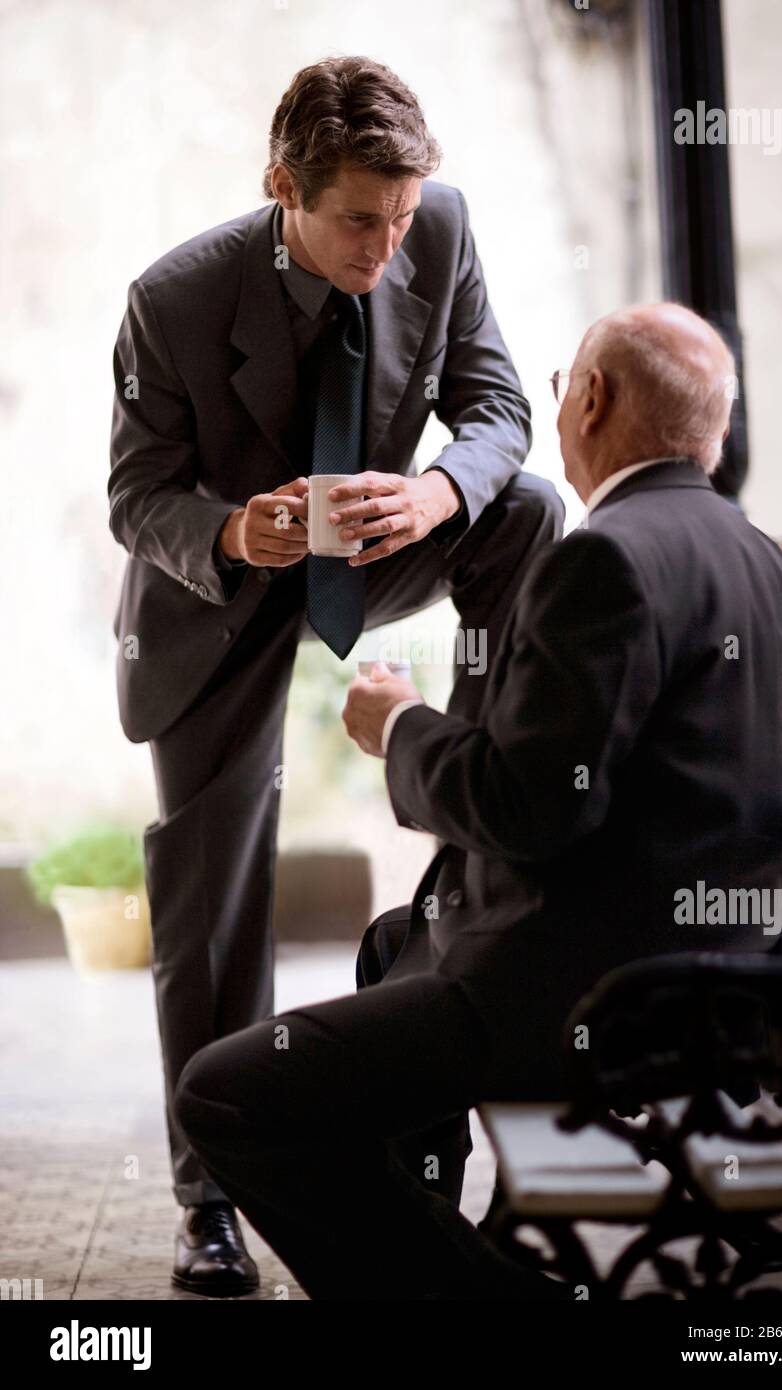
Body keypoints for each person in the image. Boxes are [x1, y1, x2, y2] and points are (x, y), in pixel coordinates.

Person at [173, 302, 782, 1300]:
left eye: (563, 387)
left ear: (592, 399)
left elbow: (527, 806)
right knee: (398, 938)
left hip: (584, 996)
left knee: (227, 1095)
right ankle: (434, 1232)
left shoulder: (601, 559)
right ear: (713, 427)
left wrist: (397, 724)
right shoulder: (760, 560)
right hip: (708, 978)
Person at [107, 55, 562, 1294]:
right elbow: (134, 495)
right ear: (283, 190)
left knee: (521, 503)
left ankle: (491, 774)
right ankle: (209, 1203)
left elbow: (500, 410)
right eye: (360, 220)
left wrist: (431, 490)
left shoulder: (438, 227)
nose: (386, 245)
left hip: (382, 548)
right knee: (210, 900)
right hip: (221, 598)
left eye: (403, 217)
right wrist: (231, 531)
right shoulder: (173, 299)